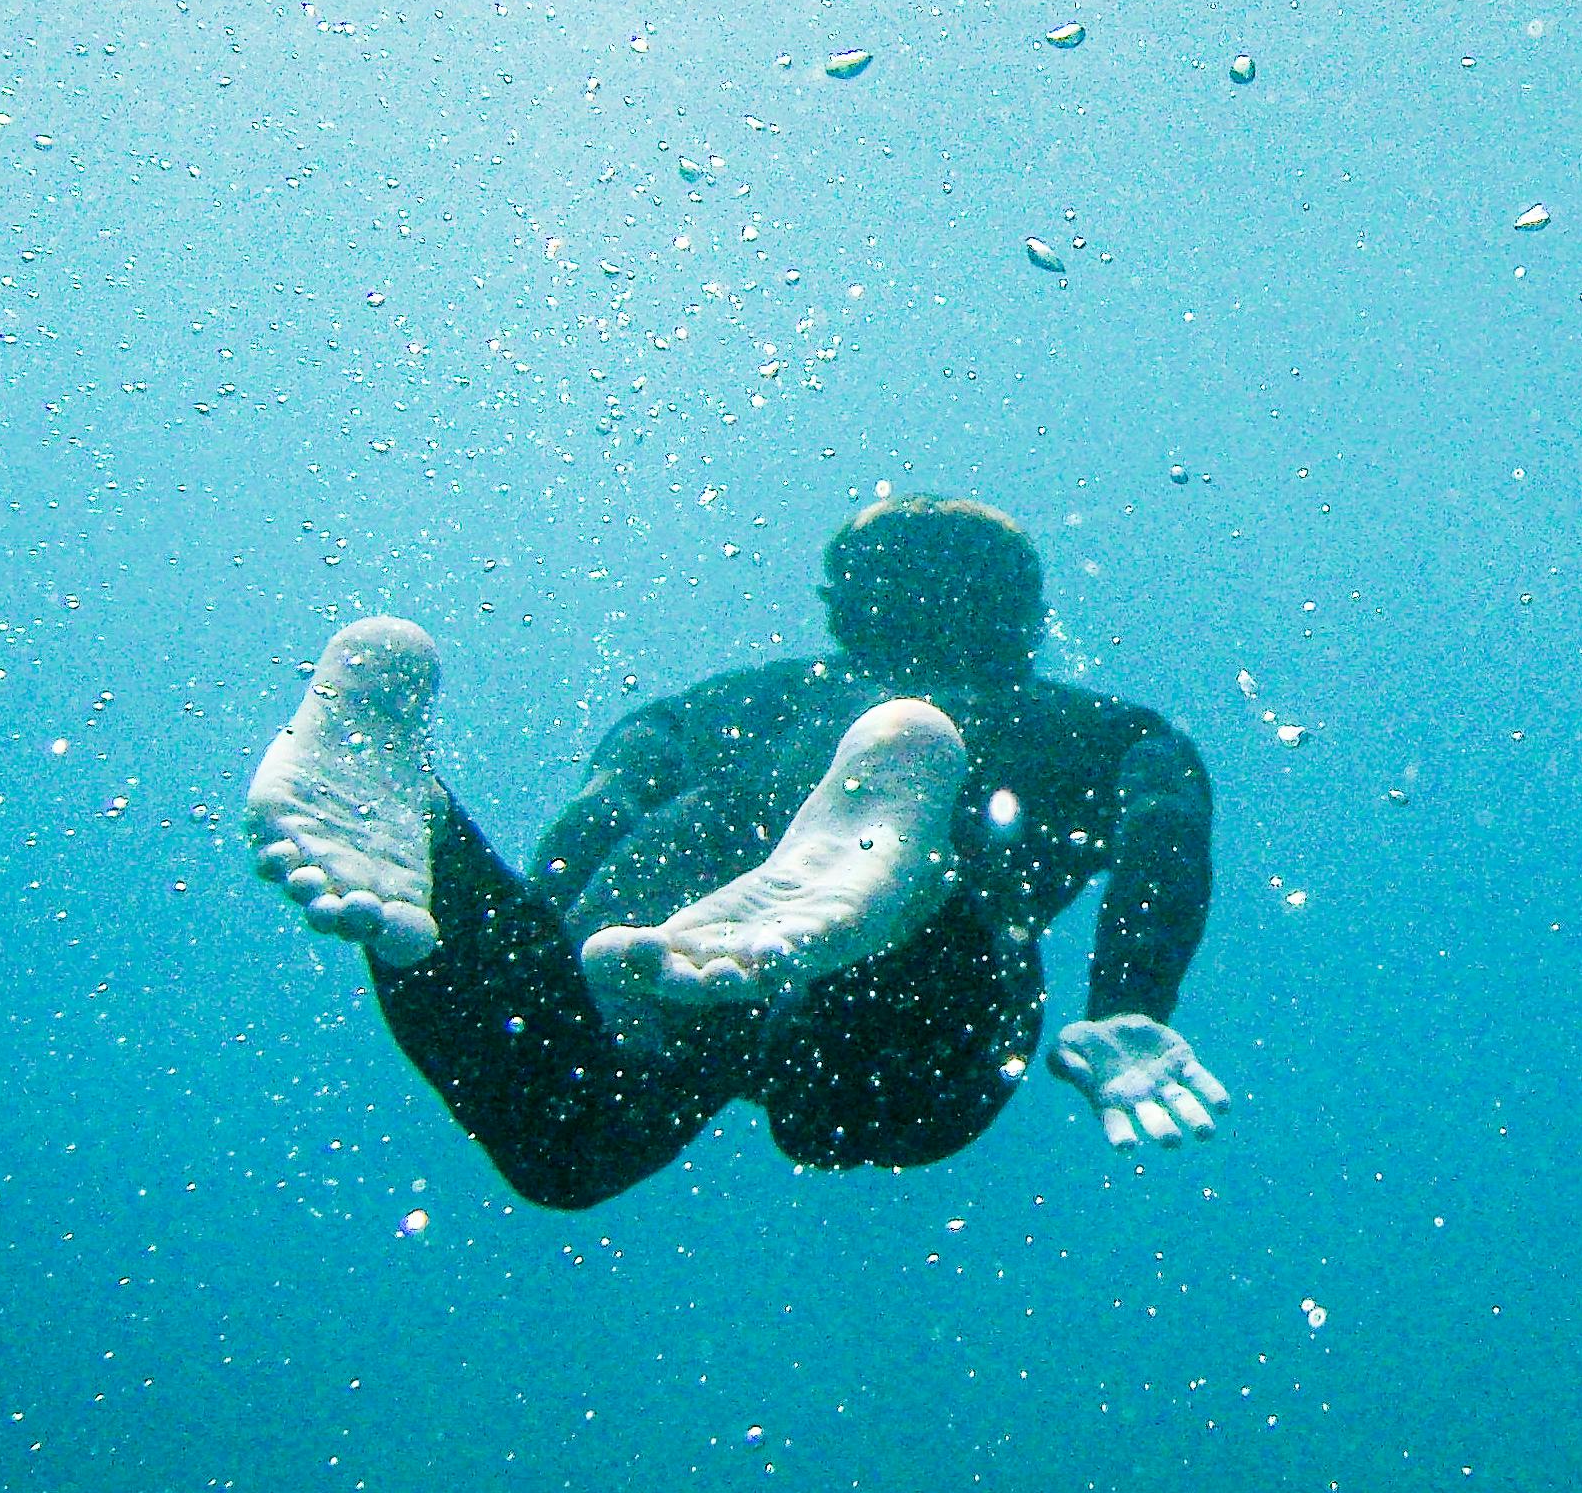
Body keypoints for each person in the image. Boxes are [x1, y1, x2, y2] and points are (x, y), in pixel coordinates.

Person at [238, 495, 1230, 1207]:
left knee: (564, 1137)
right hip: (915, 953)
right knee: (887, 1114)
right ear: (1025, 619)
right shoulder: (1094, 724)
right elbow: (1164, 833)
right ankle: (906, 863)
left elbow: (600, 817)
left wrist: (536, 950)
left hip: (675, 916)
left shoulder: (728, 702)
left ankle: (427, 823)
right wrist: (1130, 1003)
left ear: (844, 608)